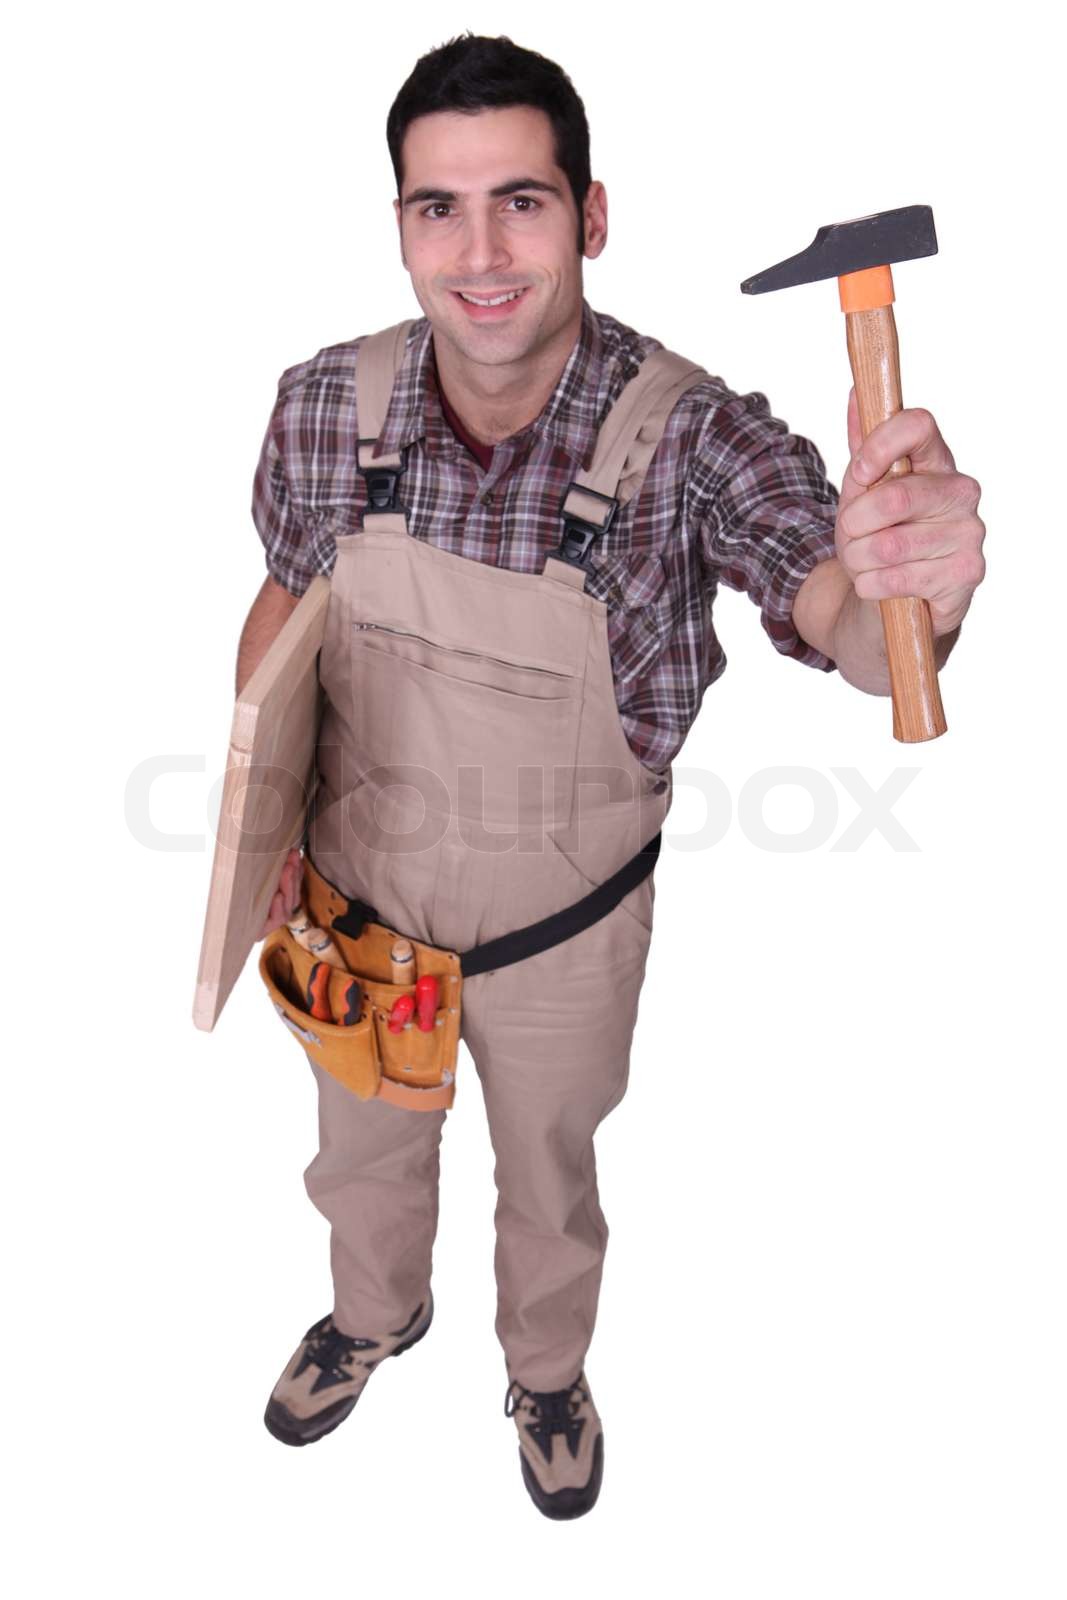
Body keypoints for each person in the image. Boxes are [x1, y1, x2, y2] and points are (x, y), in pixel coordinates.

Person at [236, 33, 986, 1519]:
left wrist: (915, 586)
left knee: (550, 1176)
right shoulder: (325, 404)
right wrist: (256, 813)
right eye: (437, 208)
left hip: (565, 929)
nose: (481, 250)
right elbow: (283, 603)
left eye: (523, 200)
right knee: (360, 1151)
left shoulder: (693, 437)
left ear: (591, 214)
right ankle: (376, 1315)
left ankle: (545, 1370)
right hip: (351, 895)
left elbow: (833, 607)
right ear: (398, 224)